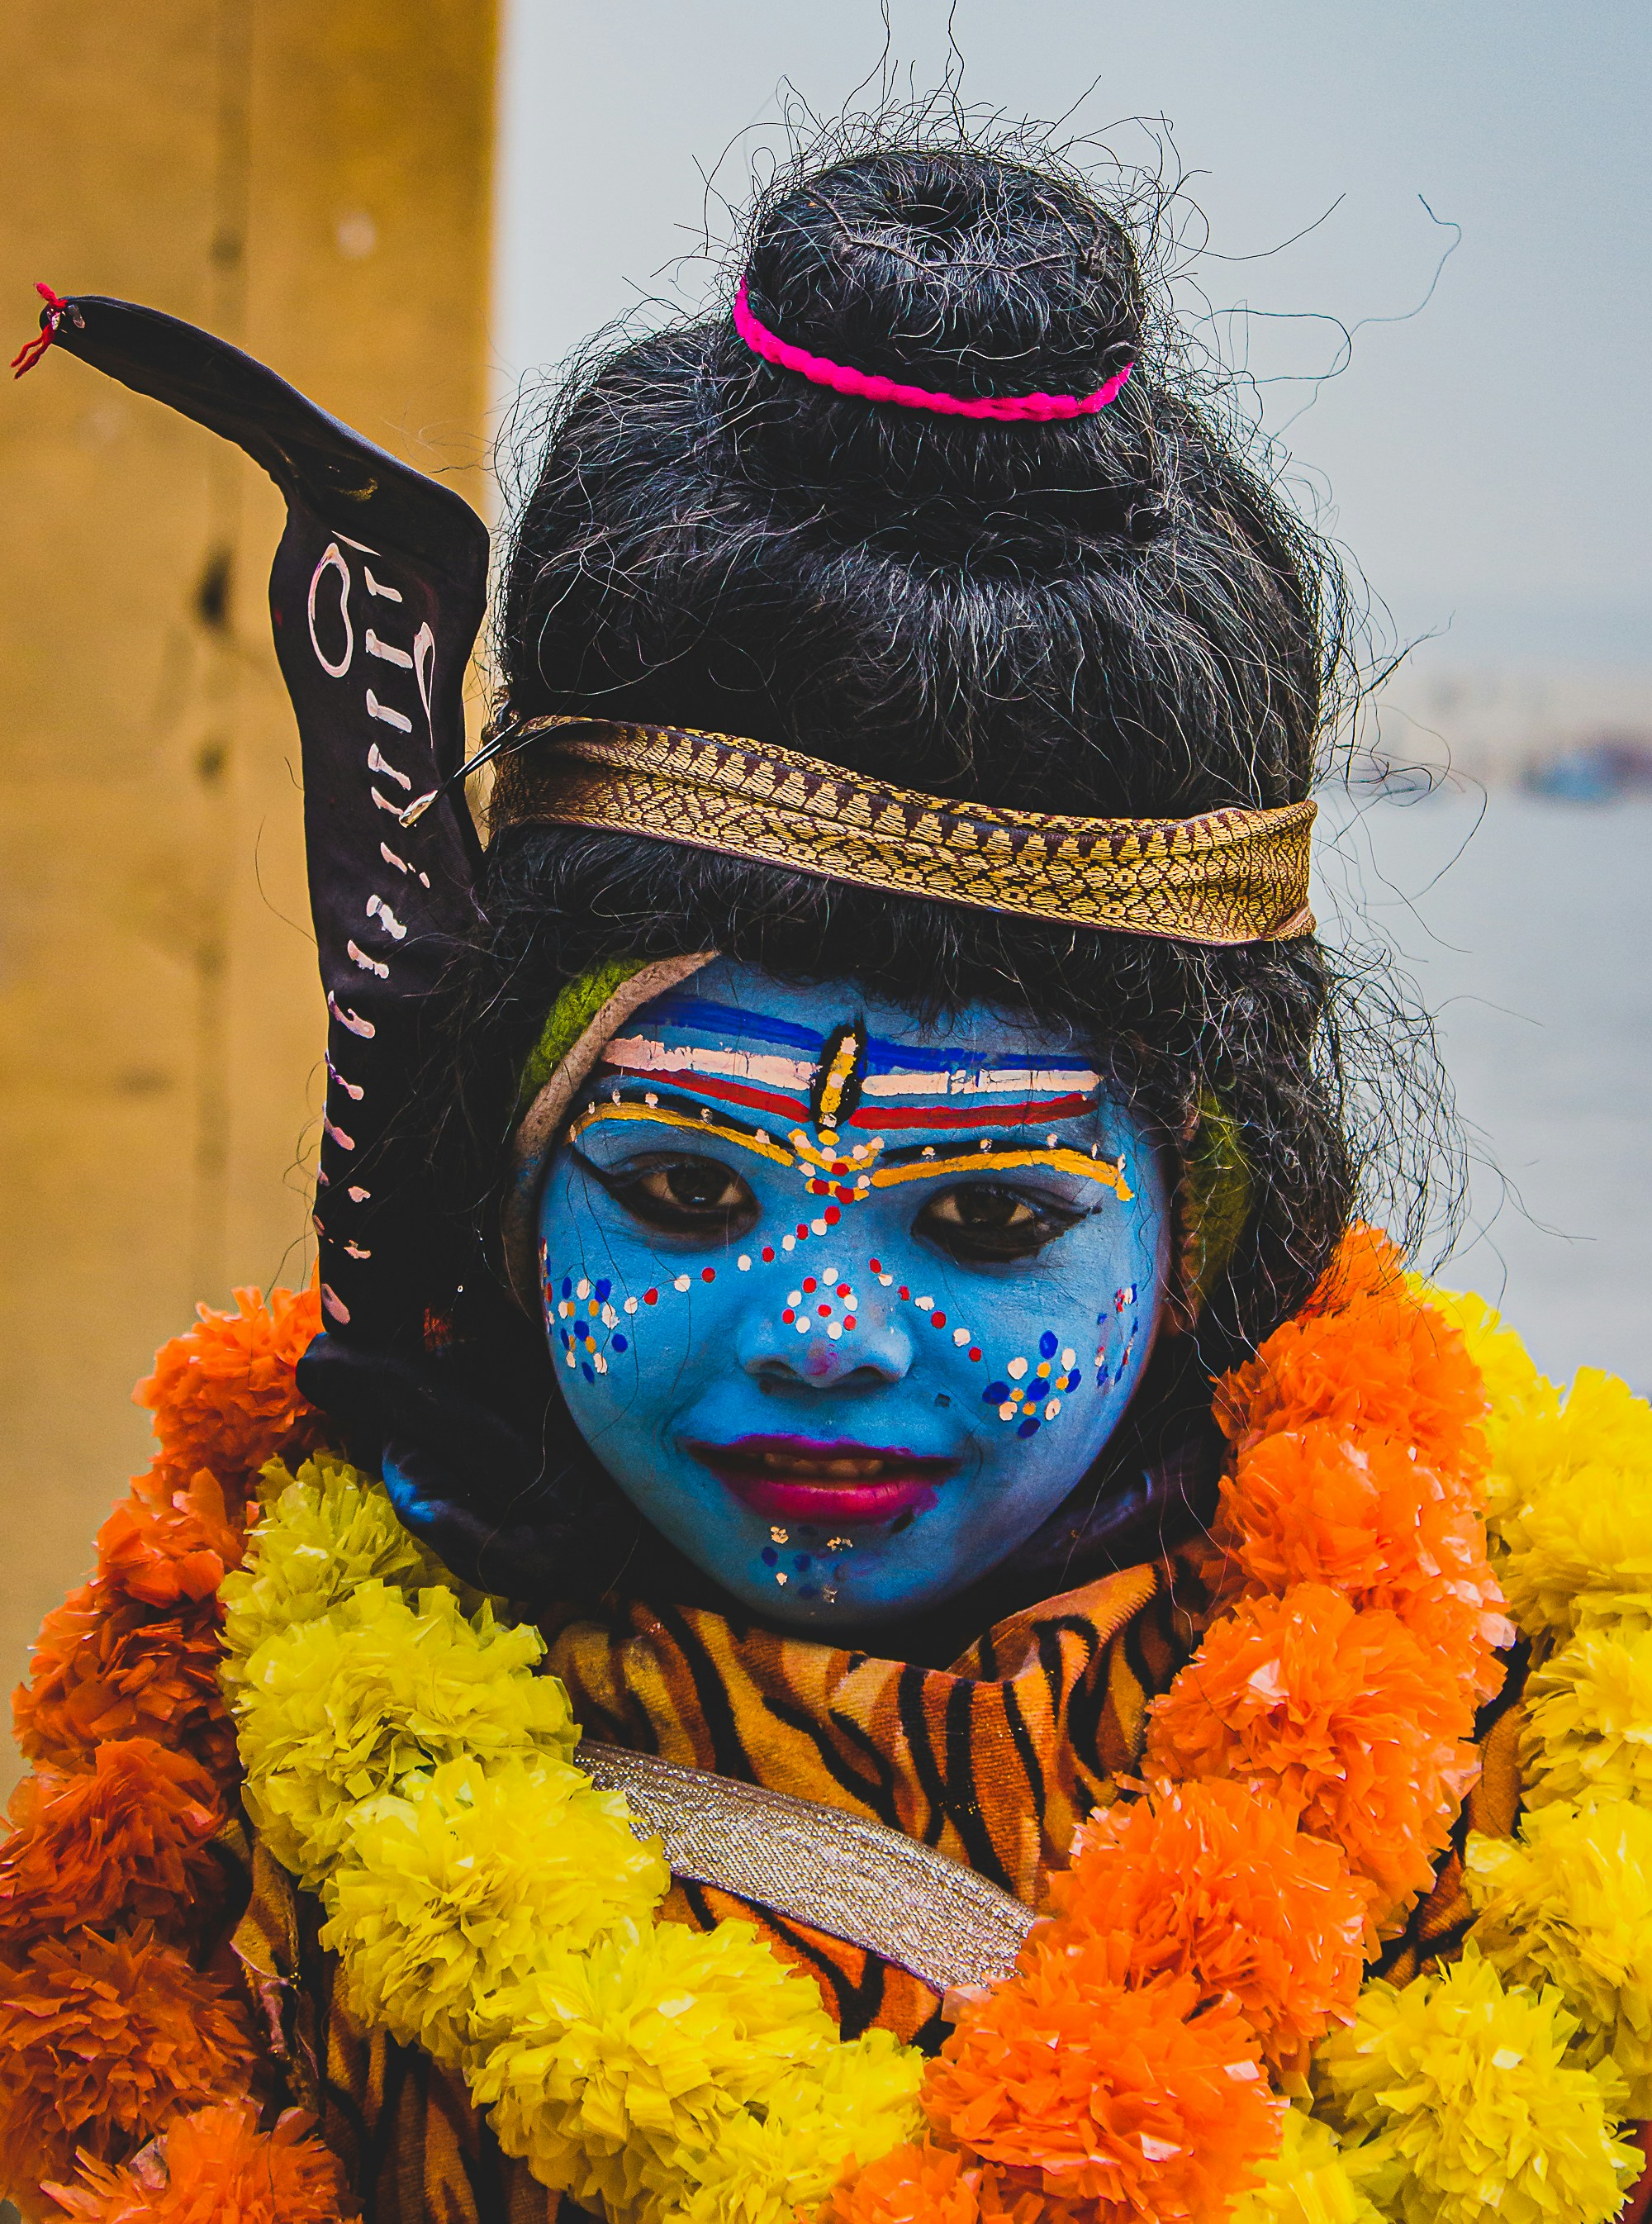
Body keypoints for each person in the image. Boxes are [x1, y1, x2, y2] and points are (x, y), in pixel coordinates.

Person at [4, 135, 1650, 2224]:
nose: (823, 1341)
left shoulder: (1529, 1783)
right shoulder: (220, 1774)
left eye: (984, 1218)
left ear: (1206, 1211)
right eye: (684, 1197)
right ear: (501, 1183)